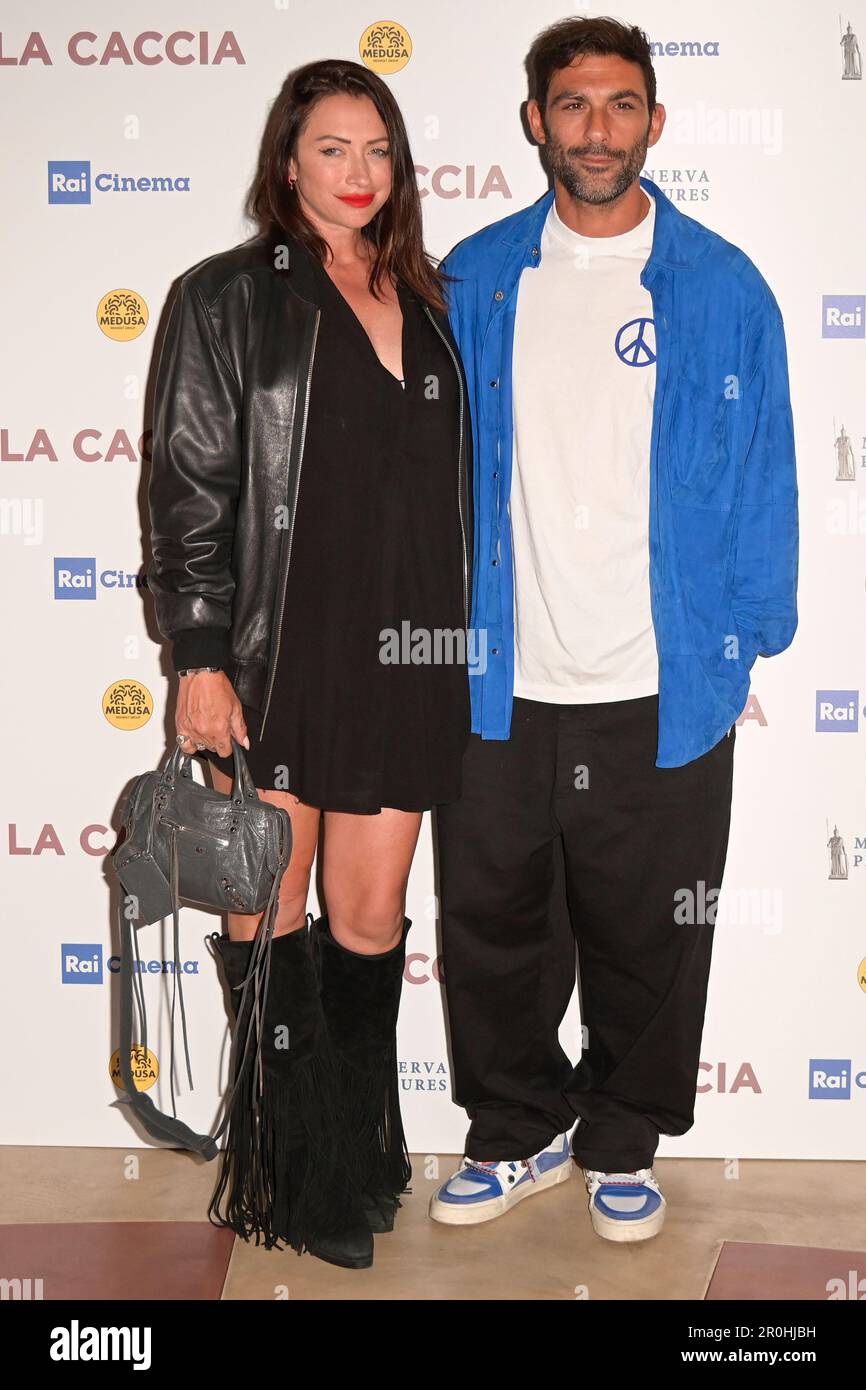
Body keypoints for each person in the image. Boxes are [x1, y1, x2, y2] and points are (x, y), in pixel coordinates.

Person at [430, 15, 798, 1242]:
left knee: (651, 926)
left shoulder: (721, 283)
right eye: (572, 105)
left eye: (619, 104)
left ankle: (622, 1137)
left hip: (660, 677)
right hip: (496, 675)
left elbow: (763, 469)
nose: (595, 129)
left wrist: (743, 637)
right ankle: (509, 1132)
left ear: (653, 121)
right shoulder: (472, 276)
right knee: (493, 925)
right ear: (534, 120)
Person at [146, 59, 473, 1269]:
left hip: (407, 651)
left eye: (377, 149)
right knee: (268, 903)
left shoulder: (429, 299)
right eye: (331, 149)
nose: (357, 173)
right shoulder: (229, 298)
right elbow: (188, 488)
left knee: (372, 914)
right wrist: (196, 654)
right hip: (280, 653)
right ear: (287, 163)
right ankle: (296, 1167)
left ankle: (361, 1139)